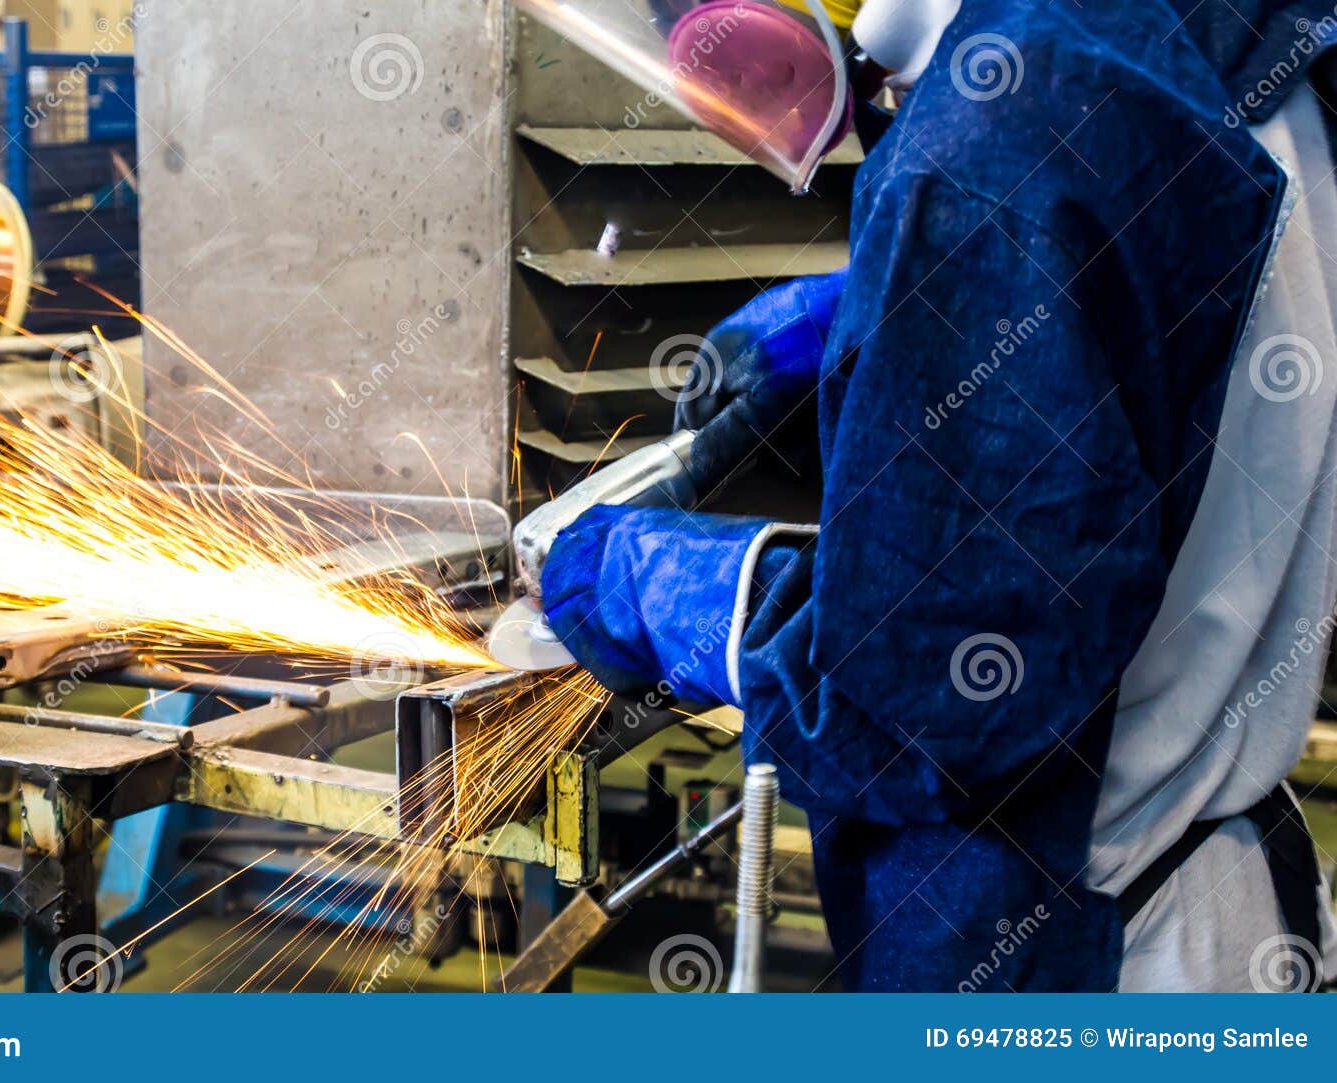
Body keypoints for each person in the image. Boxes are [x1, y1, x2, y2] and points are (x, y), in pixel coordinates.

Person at [529, 0, 1337, 990]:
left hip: (1088, 950)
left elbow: (934, 705)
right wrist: (894, 317)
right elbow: (1151, 309)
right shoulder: (1185, 37)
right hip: (1214, 889)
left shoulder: (999, 144)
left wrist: (683, 596)